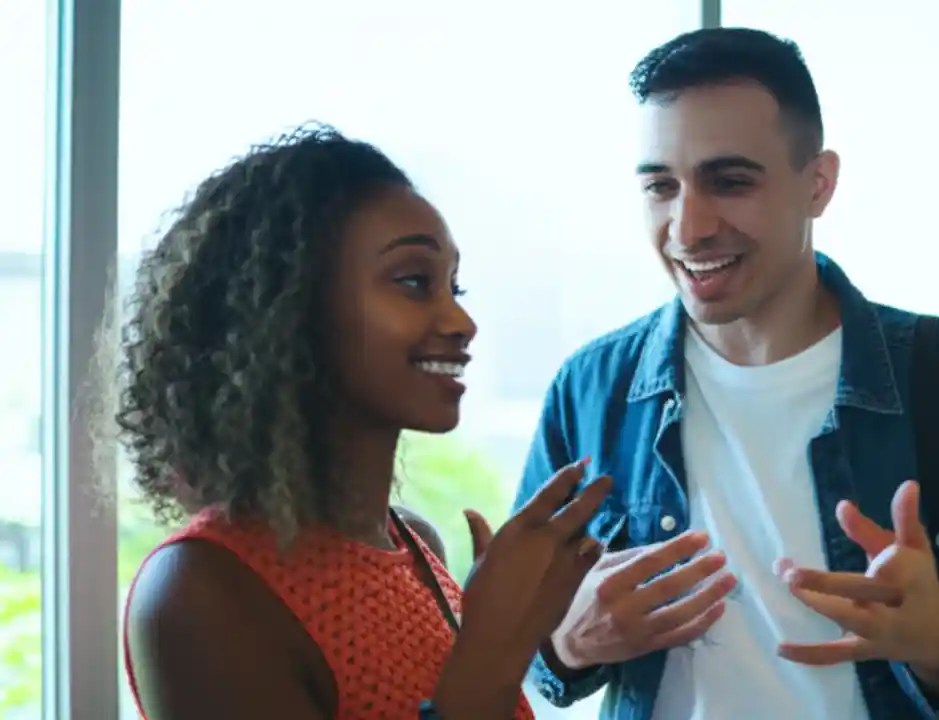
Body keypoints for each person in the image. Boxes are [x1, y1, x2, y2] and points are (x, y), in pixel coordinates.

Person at [512, 27, 939, 719]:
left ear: (818, 183)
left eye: (729, 182)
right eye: (661, 186)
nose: (687, 227)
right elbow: (506, 645)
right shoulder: (590, 391)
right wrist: (568, 646)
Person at [115, 125, 612, 720]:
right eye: (413, 282)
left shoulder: (417, 544)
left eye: (453, 285)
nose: (461, 320)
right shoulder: (200, 589)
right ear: (291, 312)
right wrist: (492, 650)